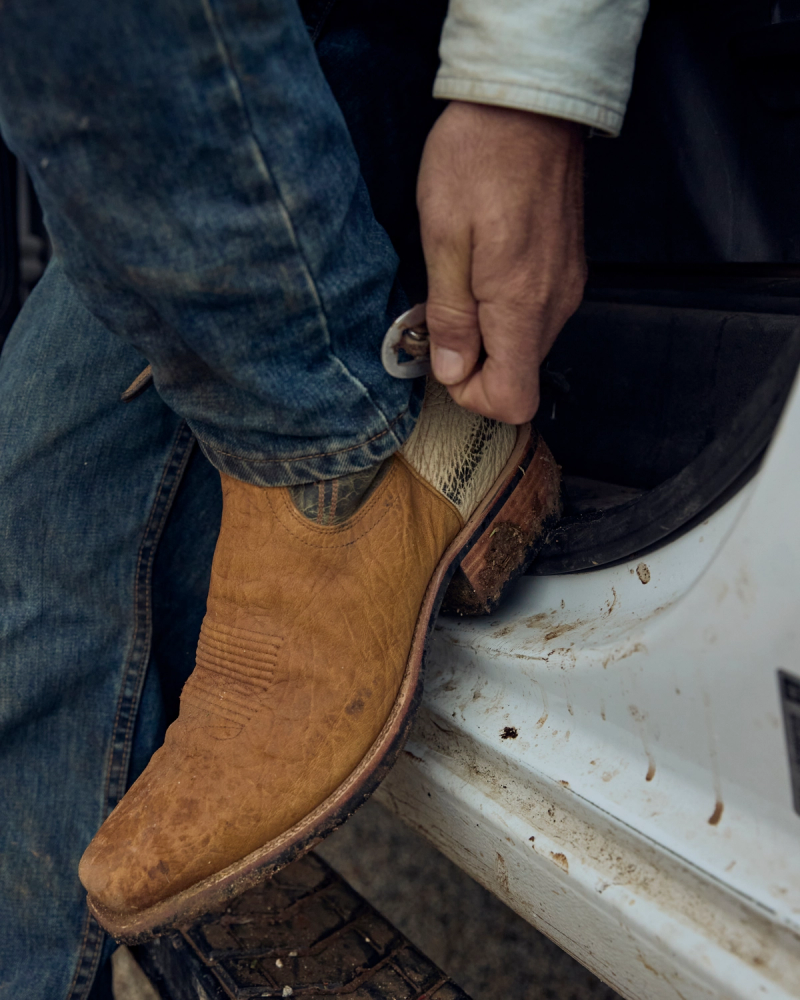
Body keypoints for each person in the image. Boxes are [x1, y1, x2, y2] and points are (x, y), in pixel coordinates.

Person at [0, 0, 648, 996]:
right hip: (225, 95)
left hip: (331, 63)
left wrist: (524, 90)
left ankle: (330, 454)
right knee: (32, 518)